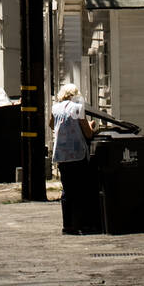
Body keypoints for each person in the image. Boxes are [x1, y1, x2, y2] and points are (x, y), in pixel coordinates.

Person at [51, 83, 95, 235]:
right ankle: (80, 224)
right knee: (80, 190)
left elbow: (52, 124)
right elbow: (88, 133)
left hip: (62, 155)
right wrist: (91, 125)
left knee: (67, 190)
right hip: (77, 154)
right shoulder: (77, 108)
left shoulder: (55, 108)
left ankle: (67, 225)